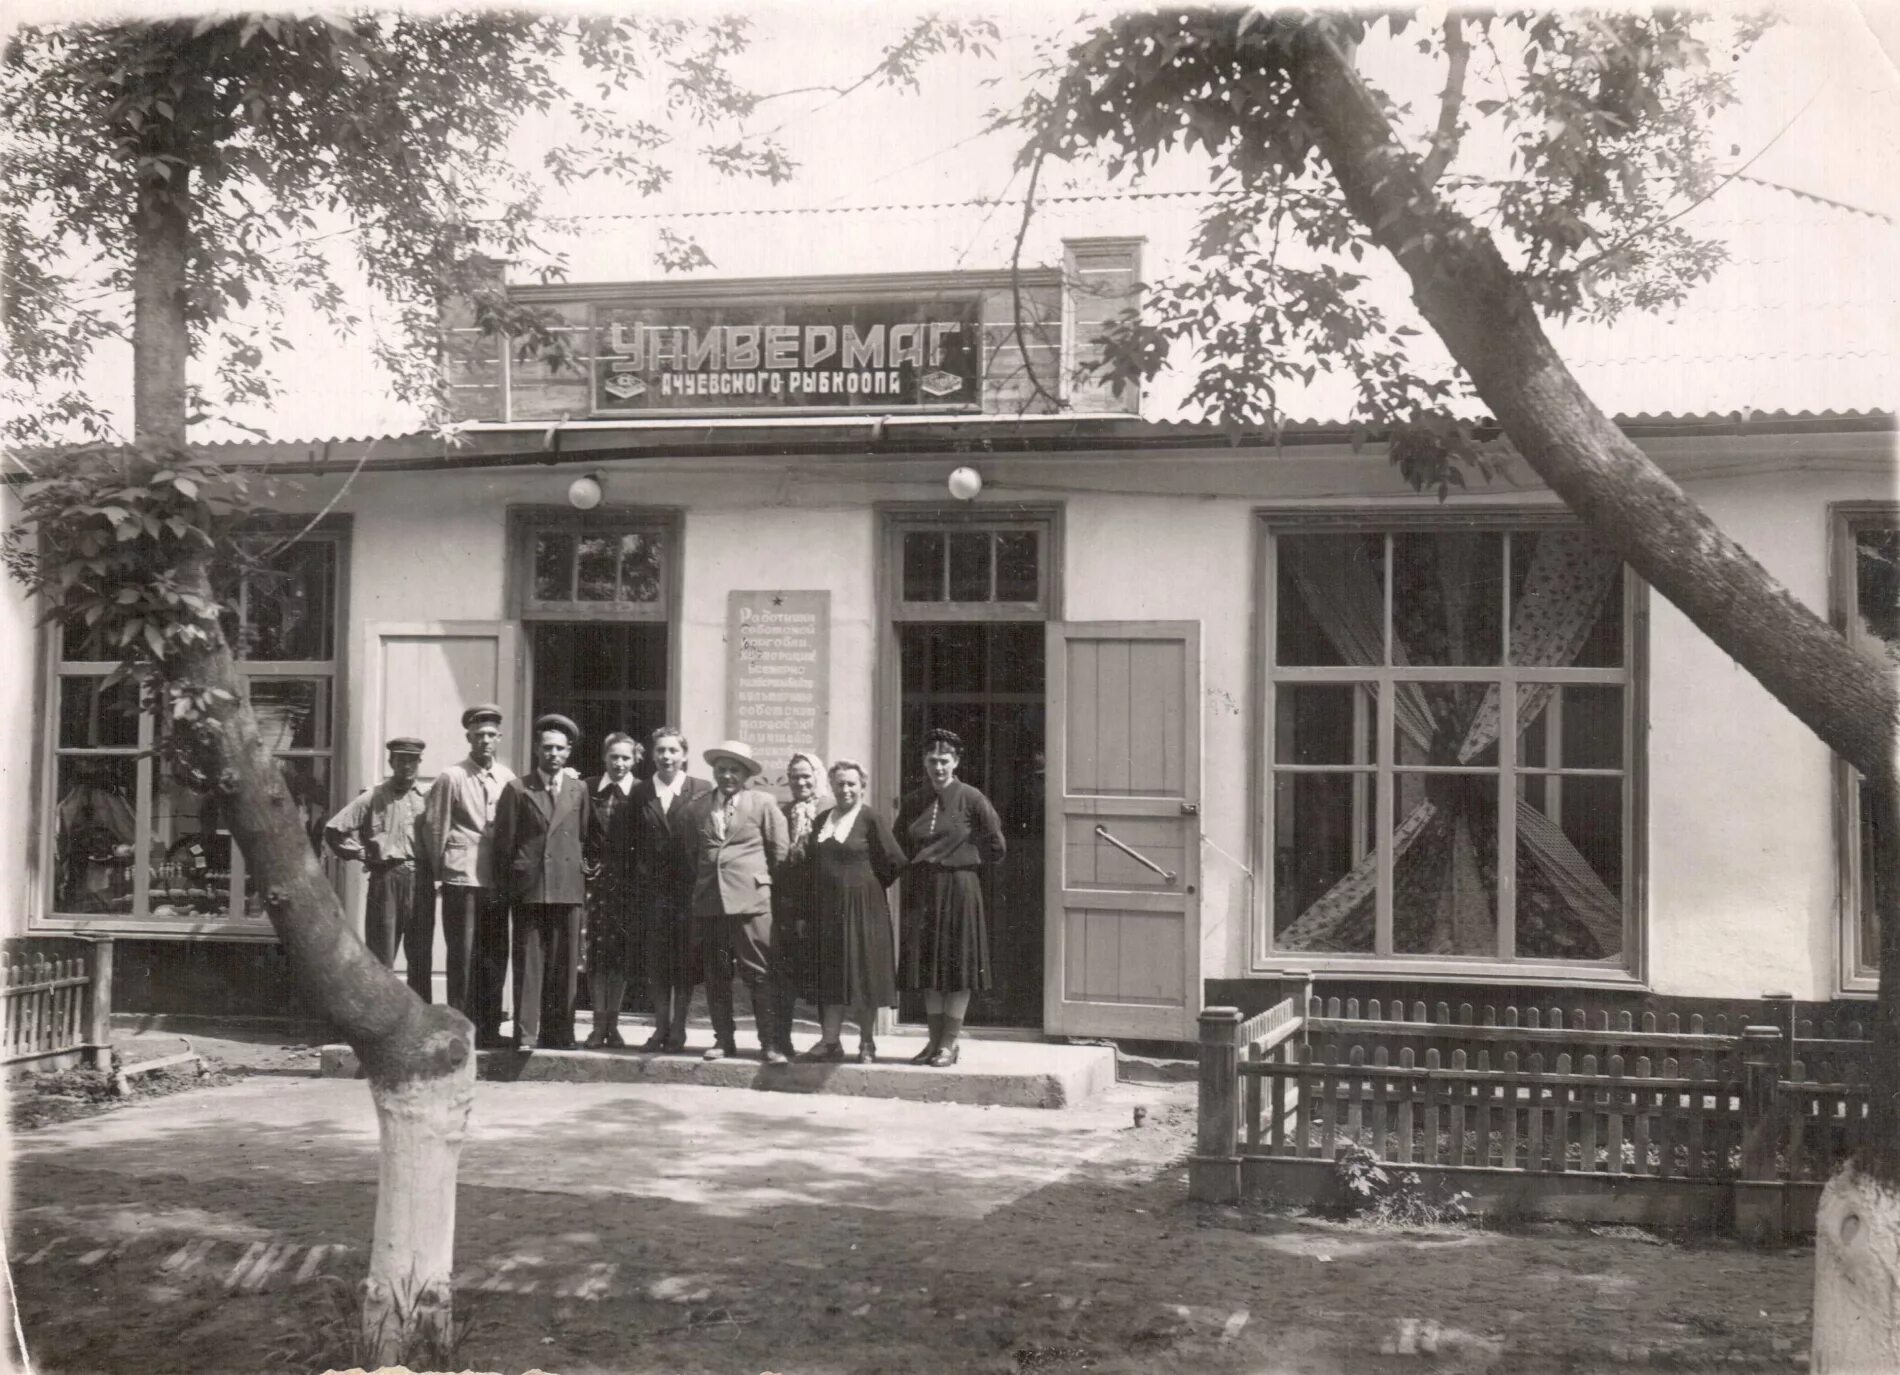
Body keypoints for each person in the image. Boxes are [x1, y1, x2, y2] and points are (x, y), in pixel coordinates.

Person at [895, 727, 1006, 1067]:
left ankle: (949, 1043)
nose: (938, 768)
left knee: (958, 967)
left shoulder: (973, 799)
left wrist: (964, 863)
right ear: (924, 763)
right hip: (924, 890)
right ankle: (932, 1043)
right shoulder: (914, 800)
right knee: (929, 967)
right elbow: (899, 843)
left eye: (944, 761)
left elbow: (996, 846)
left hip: (959, 889)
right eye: (932, 761)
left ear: (956, 761)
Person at [681, 739, 789, 1063]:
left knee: (759, 972)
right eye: (721, 769)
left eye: (734, 770)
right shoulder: (697, 808)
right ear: (714, 772)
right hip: (711, 901)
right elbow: (692, 854)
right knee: (716, 973)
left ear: (746, 775)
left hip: (751, 901)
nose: (727, 775)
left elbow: (779, 852)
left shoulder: (763, 804)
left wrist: (761, 886)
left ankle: (768, 1044)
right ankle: (723, 1040)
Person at [492, 713, 588, 1051]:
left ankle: (561, 1033)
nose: (553, 754)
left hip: (566, 885)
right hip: (530, 887)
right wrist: (512, 883)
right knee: (530, 964)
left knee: (564, 964)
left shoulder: (579, 789)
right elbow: (503, 843)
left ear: (569, 752)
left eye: (560, 749)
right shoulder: (518, 789)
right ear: (537, 750)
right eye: (547, 747)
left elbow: (583, 836)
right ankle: (526, 1034)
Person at [422, 705, 516, 1046]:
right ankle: (458, 1030)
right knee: (462, 955)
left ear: (499, 738)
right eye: (479, 736)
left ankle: (490, 1028)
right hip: (461, 876)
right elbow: (436, 827)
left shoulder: (507, 778)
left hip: (496, 879)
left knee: (493, 953)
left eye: (491, 735)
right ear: (468, 738)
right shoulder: (452, 777)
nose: (485, 741)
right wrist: (438, 873)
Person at [801, 759, 906, 1063]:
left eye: (851, 784)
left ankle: (867, 1042)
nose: (845, 789)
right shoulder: (822, 821)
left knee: (863, 976)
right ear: (831, 786)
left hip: (863, 911)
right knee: (830, 975)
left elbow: (895, 861)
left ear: (862, 787)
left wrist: (866, 887)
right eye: (839, 784)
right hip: (828, 912)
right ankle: (830, 1041)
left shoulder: (871, 818)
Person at [323, 736, 431, 987]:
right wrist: (361, 853)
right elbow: (334, 830)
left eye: (412, 760)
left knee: (421, 955)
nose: (407, 766)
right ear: (391, 761)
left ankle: (421, 1021)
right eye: (401, 760)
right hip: (387, 879)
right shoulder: (373, 797)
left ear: (419, 762)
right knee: (381, 954)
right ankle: (383, 1018)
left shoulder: (429, 798)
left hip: (421, 881)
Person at [631, 726, 712, 1052]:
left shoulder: (702, 790)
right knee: (657, 962)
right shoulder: (641, 792)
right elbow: (629, 842)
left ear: (684, 755)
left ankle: (679, 1028)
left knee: (685, 961)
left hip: (690, 891)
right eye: (661, 751)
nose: (667, 757)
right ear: (652, 755)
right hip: (653, 893)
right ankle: (660, 1027)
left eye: (673, 751)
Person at [581, 732, 642, 1048]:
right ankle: (596, 1024)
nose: (619, 763)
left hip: (627, 887)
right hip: (594, 885)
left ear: (634, 760)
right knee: (595, 956)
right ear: (604, 758)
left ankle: (613, 1024)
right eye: (614, 757)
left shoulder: (642, 792)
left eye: (626, 758)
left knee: (619, 956)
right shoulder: (587, 789)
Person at [770, 750, 829, 1061]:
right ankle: (782, 1040)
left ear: (817, 777)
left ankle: (828, 1040)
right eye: (794, 777)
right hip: (788, 905)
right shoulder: (783, 811)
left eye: (806, 776)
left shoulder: (830, 810)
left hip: (822, 905)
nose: (800, 782)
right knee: (784, 975)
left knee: (823, 973)